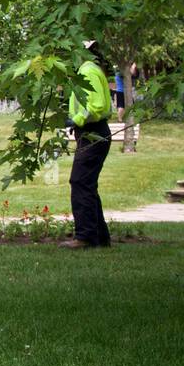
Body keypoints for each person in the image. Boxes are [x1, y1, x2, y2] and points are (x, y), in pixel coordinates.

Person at [62, 40, 114, 248]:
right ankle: (99, 237)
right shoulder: (90, 69)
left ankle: (85, 237)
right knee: (87, 185)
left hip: (93, 133)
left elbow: (96, 106)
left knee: (80, 182)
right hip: (93, 133)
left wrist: (77, 120)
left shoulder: (88, 71)